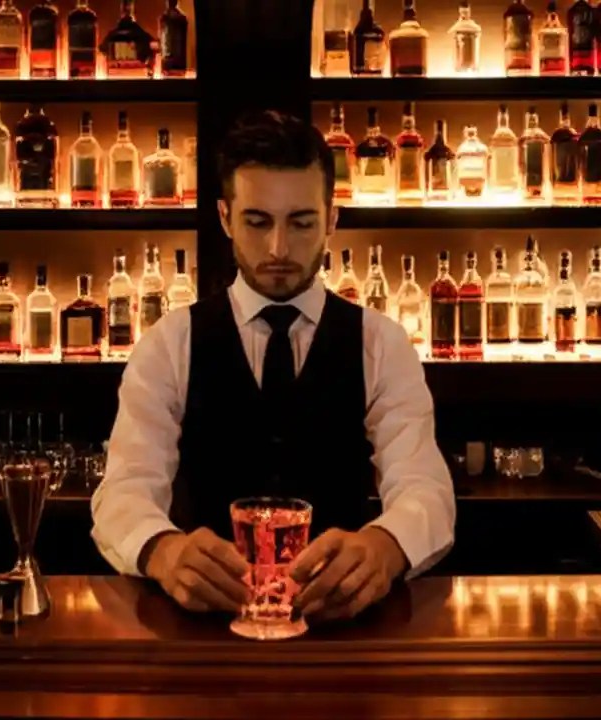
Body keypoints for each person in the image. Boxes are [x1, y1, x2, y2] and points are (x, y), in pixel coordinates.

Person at [91, 110, 455, 621]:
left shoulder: (381, 343)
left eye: (302, 223)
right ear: (224, 218)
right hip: (207, 634)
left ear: (332, 218)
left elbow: (425, 487)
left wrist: (384, 547)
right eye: (257, 222)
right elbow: (122, 493)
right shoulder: (169, 344)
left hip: (342, 633)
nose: (279, 249)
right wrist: (163, 551)